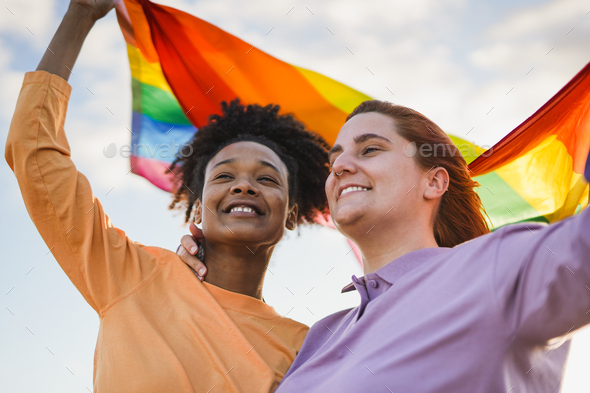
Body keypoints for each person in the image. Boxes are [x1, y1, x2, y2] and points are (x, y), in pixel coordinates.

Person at [5, 1, 332, 391]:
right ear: (198, 204)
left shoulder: (308, 349)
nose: (244, 186)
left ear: (292, 214)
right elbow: (33, 148)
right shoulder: (129, 273)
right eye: (224, 175)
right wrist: (81, 14)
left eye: (267, 179)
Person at [180, 101, 590, 392]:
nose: (340, 166)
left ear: (434, 182)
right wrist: (196, 288)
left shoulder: (495, 268)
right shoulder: (320, 337)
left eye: (370, 149)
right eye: (334, 160)